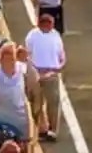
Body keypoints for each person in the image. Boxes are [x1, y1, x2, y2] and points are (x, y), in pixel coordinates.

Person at [24, 14, 65, 142]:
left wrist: (61, 64)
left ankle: (52, 130)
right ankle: (41, 129)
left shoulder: (55, 35)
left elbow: (61, 53)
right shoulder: (32, 36)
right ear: (41, 24)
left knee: (53, 102)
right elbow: (27, 53)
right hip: (36, 72)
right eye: (47, 23)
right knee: (36, 103)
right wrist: (33, 70)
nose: (50, 26)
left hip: (52, 73)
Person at [0, 45, 30, 145]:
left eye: (12, 59)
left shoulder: (23, 68)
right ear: (0, 60)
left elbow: (33, 82)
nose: (9, 62)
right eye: (5, 59)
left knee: (23, 145)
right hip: (1, 119)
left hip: (21, 119)